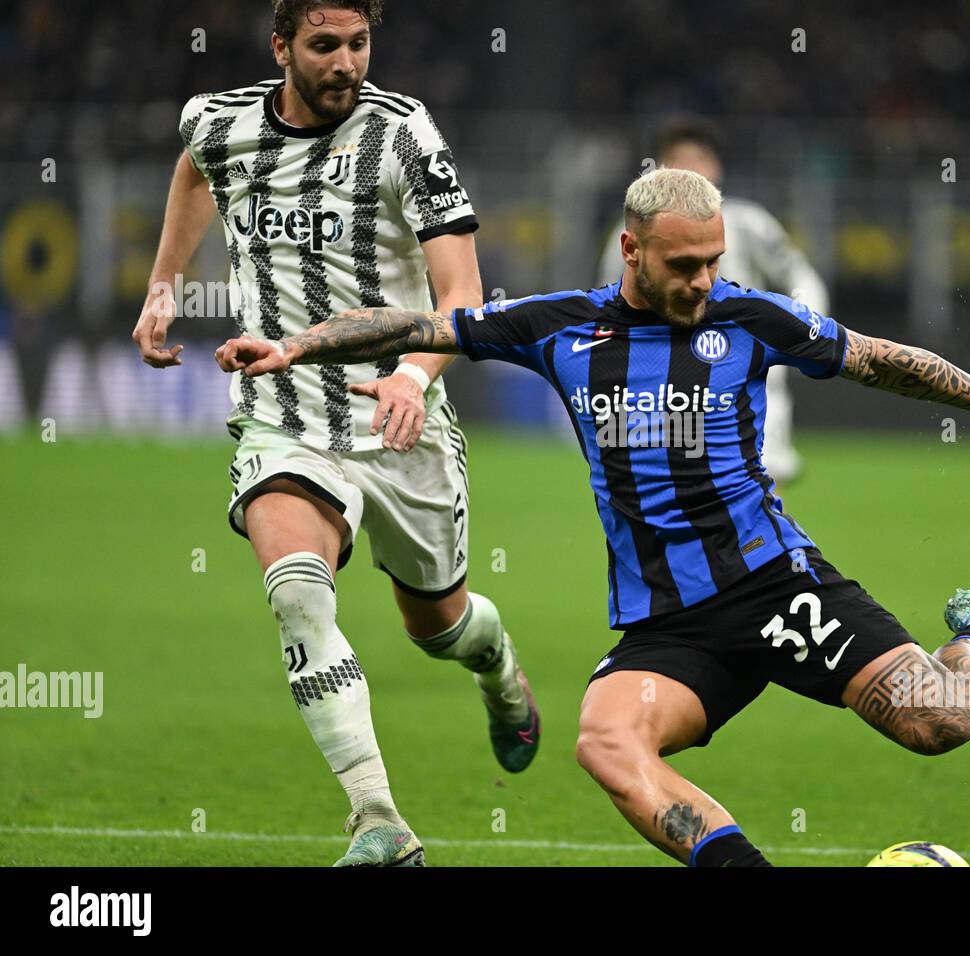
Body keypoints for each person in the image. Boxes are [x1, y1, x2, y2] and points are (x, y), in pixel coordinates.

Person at [215, 167, 970, 866]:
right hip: (667, 624)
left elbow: (878, 359)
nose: (704, 279)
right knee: (604, 741)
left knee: (939, 723)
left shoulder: (751, 318)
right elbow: (415, 322)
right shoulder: (560, 328)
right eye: (683, 265)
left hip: (775, 586)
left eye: (713, 260)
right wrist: (294, 345)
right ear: (631, 251)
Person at [131, 0, 539, 867]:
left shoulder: (404, 136)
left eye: (358, 43)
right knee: (298, 593)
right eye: (323, 46)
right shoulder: (221, 122)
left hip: (400, 421)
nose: (345, 62)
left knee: (440, 627)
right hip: (283, 419)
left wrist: (411, 373)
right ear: (281, 46)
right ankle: (378, 820)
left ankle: (499, 670)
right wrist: (165, 281)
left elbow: (463, 295)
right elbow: (196, 171)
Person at [598, 119, 828, 483]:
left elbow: (801, 278)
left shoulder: (749, 221)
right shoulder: (632, 236)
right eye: (678, 163)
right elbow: (610, 299)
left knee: (759, 474)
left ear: (715, 168)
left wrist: (798, 329)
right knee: (668, 477)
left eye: (699, 161)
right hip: (663, 369)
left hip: (742, 358)